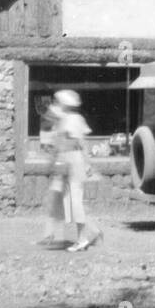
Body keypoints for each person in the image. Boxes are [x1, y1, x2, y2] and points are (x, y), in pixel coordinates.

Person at [53, 90, 103, 252]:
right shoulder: (67, 119)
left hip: (75, 161)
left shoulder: (73, 120)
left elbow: (81, 143)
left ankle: (82, 238)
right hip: (68, 161)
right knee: (71, 201)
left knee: (75, 201)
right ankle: (93, 231)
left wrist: (87, 164)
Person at [36, 101, 68, 247]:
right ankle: (50, 235)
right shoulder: (57, 129)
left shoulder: (62, 131)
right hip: (58, 171)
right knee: (55, 205)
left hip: (62, 172)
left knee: (57, 205)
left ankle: (56, 237)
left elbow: (61, 152)